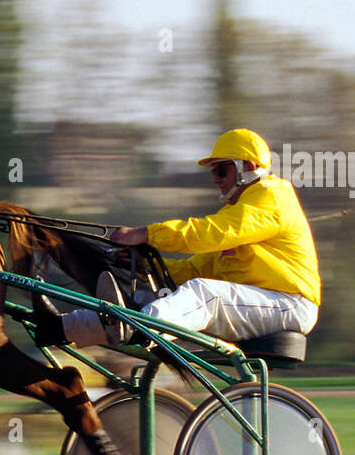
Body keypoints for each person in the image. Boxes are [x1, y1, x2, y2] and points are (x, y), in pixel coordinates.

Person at [34, 128, 320, 348]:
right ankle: (59, 329)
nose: (215, 179)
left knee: (203, 295)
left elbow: (210, 234)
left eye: (221, 169)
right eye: (213, 172)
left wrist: (146, 234)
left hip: (292, 305)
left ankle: (142, 326)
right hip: (266, 303)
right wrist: (150, 268)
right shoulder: (240, 211)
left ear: (247, 166)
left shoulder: (272, 195)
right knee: (145, 297)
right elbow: (197, 268)